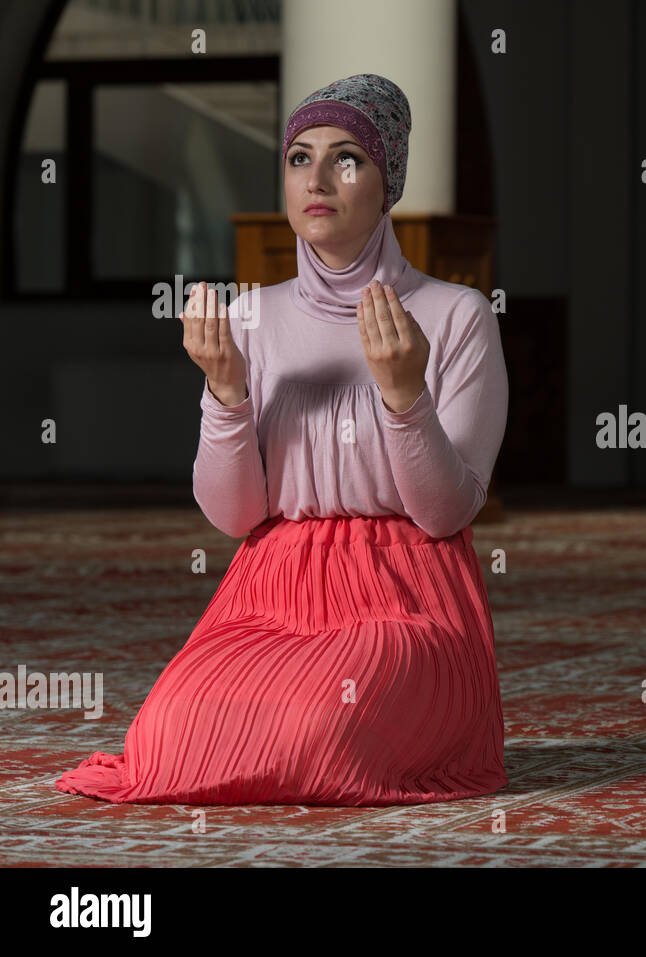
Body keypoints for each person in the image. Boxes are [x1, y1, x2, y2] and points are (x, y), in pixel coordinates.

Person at [53, 73, 510, 806]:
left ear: (386, 180)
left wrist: (403, 396)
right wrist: (225, 391)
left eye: (346, 159)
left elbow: (445, 512)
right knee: (172, 726)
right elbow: (233, 518)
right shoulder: (250, 316)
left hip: (407, 597)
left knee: (321, 719)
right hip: (271, 590)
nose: (317, 179)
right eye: (299, 157)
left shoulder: (457, 315)